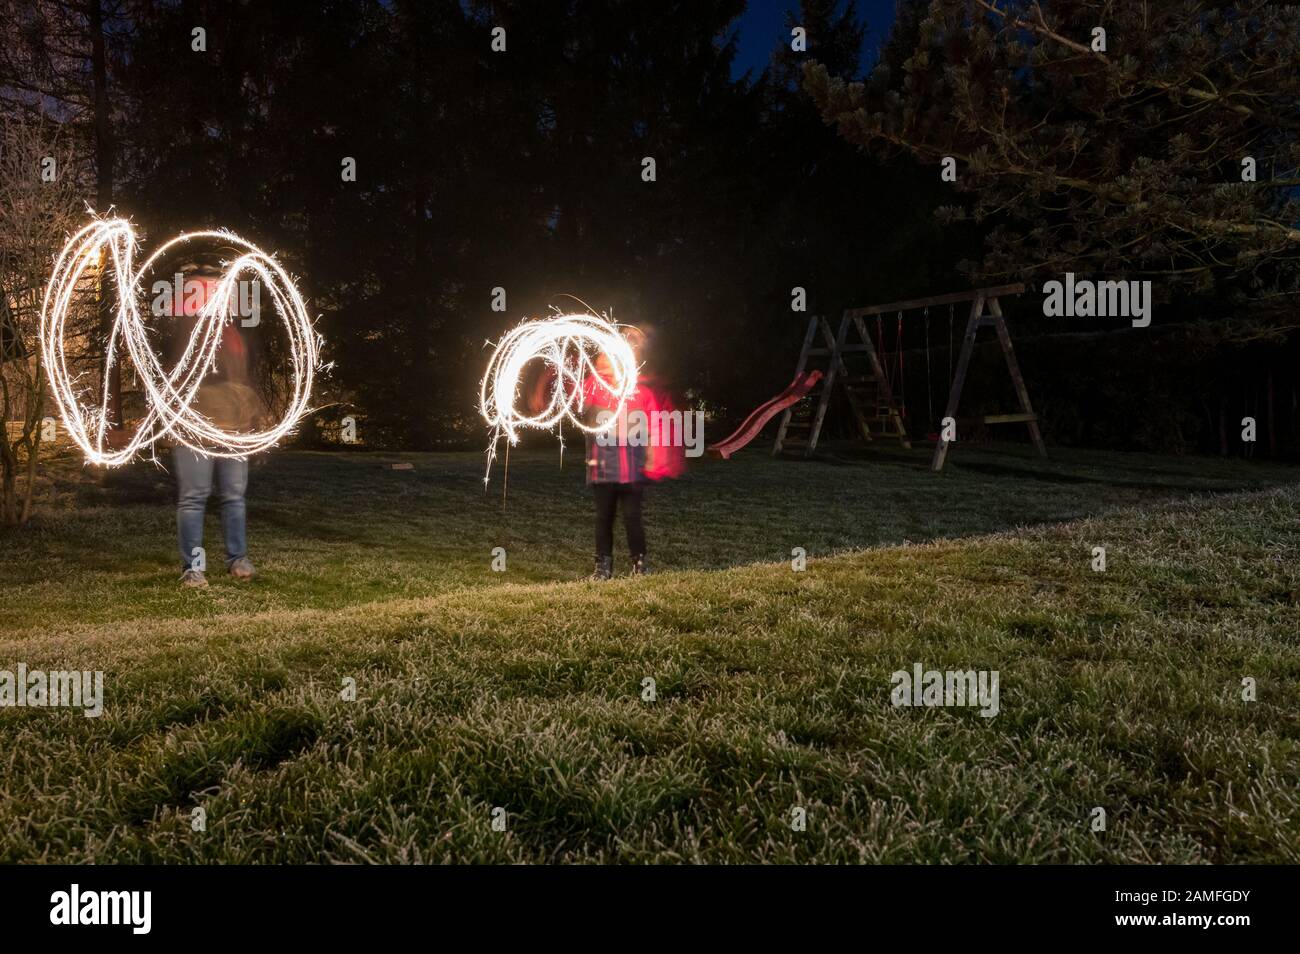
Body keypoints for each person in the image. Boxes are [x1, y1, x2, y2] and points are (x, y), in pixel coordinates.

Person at [529, 324, 683, 579]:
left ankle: (640, 564)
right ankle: (603, 567)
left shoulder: (639, 392)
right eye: (600, 358)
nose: (601, 363)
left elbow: (655, 423)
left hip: (632, 472)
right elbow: (568, 389)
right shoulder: (593, 387)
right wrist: (542, 385)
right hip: (602, 471)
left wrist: (655, 454)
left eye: (607, 359)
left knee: (633, 517)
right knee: (603, 519)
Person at [158, 252, 268, 588]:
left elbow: (243, 382)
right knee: (195, 495)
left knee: (234, 495)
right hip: (195, 426)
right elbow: (177, 379)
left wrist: (252, 420)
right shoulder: (184, 336)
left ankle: (237, 559)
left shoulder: (234, 335)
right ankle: (194, 567)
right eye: (205, 288)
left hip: (233, 428)